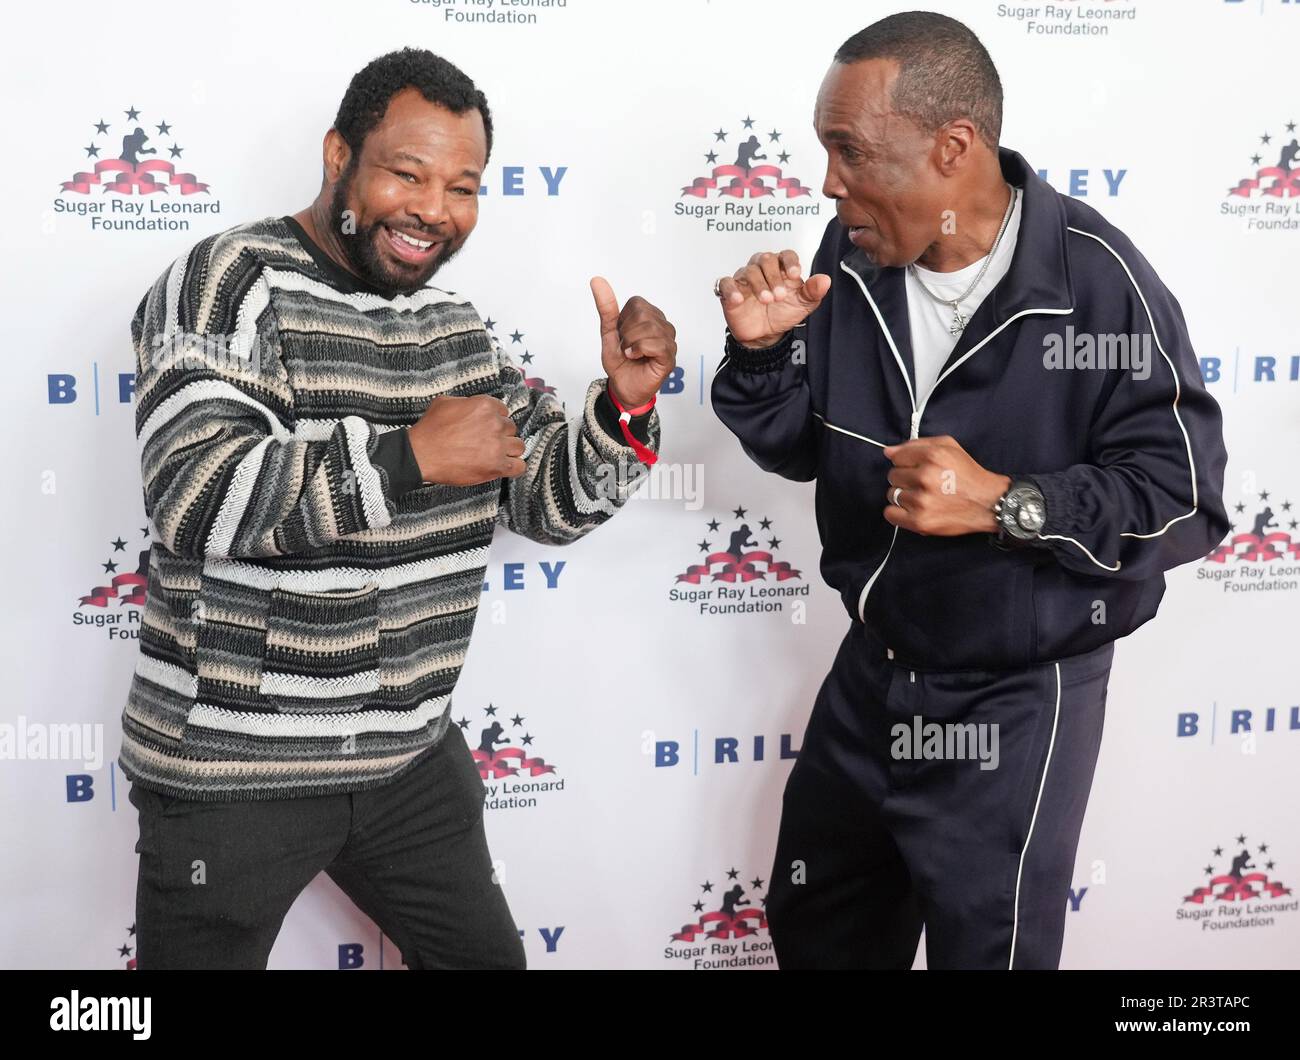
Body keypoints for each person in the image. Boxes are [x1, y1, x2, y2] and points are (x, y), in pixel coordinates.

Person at [120, 47, 676, 969]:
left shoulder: (456, 328)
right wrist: (408, 456)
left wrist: (623, 410)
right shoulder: (224, 281)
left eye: (463, 186)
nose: (434, 210)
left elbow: (547, 504)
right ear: (339, 155)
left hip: (407, 765)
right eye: (407, 173)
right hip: (231, 775)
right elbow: (196, 495)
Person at [710, 12, 1229, 969]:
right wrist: (762, 353)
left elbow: (1183, 495)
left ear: (955, 147)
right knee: (819, 931)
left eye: (851, 152)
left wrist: (1005, 501)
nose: (829, 184)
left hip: (1016, 703)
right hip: (871, 675)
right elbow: (799, 447)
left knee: (986, 956)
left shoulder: (1099, 284)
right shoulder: (854, 252)